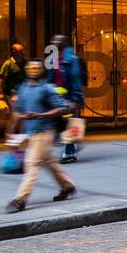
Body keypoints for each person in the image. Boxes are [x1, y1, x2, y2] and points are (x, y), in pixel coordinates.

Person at [5, 60, 76, 213]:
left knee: (32, 163)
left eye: (37, 68)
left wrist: (40, 115)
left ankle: (21, 199)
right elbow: (17, 112)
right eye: (31, 67)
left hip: (45, 131)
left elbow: (61, 108)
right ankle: (68, 186)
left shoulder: (47, 88)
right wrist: (11, 131)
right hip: (32, 133)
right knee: (50, 162)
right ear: (26, 69)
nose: (34, 70)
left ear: (42, 70)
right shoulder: (22, 88)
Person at [49, 34, 84, 163]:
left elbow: (75, 79)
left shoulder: (71, 58)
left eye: (57, 40)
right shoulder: (53, 57)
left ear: (63, 43)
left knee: (69, 124)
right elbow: (50, 78)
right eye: (53, 40)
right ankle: (72, 145)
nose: (54, 42)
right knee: (58, 123)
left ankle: (69, 153)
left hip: (69, 97)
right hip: (57, 97)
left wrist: (74, 99)